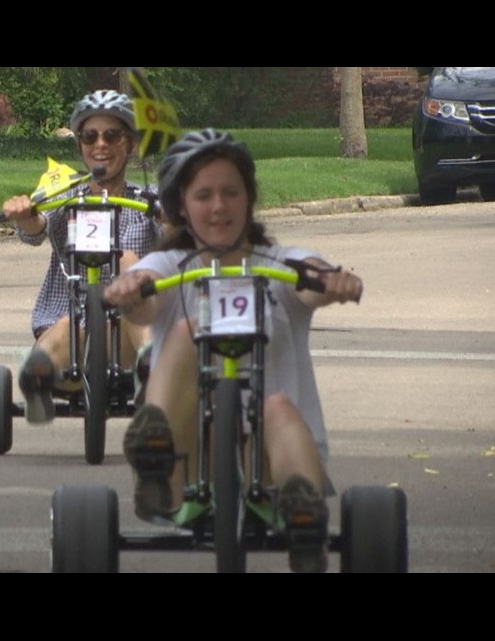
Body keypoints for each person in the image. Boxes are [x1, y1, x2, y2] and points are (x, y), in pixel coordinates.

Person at [103, 128, 364, 573]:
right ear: (181, 207)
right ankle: (154, 447)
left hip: (274, 464)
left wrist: (334, 280)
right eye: (204, 195)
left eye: (231, 192)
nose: (219, 206)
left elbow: (312, 276)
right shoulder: (168, 268)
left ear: (249, 199)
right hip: (187, 464)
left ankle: (302, 515)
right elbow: (143, 297)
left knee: (278, 405)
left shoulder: (279, 264)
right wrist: (129, 290)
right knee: (187, 329)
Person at [0, 89, 161, 423]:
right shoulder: (65, 197)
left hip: (129, 339)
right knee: (63, 326)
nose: (100, 145)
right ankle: (36, 378)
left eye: (112, 135)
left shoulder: (149, 200)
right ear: (80, 146)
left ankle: (151, 366)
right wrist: (24, 213)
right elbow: (37, 228)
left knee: (127, 260)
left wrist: (170, 216)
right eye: (90, 136)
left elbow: (178, 233)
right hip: (73, 345)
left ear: (130, 144)